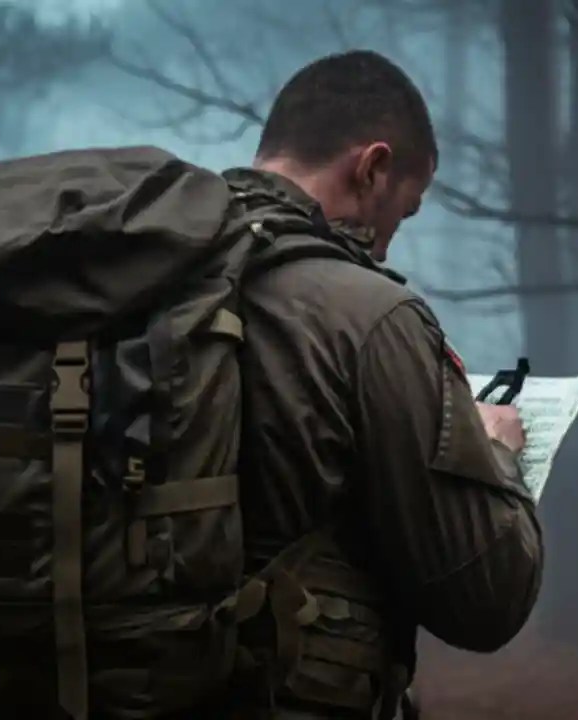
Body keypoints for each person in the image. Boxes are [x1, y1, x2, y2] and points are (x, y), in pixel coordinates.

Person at [223, 50, 545, 717]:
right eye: (407, 208)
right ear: (372, 168)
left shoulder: (152, 275)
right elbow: (486, 602)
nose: (391, 244)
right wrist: (497, 457)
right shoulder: (370, 317)